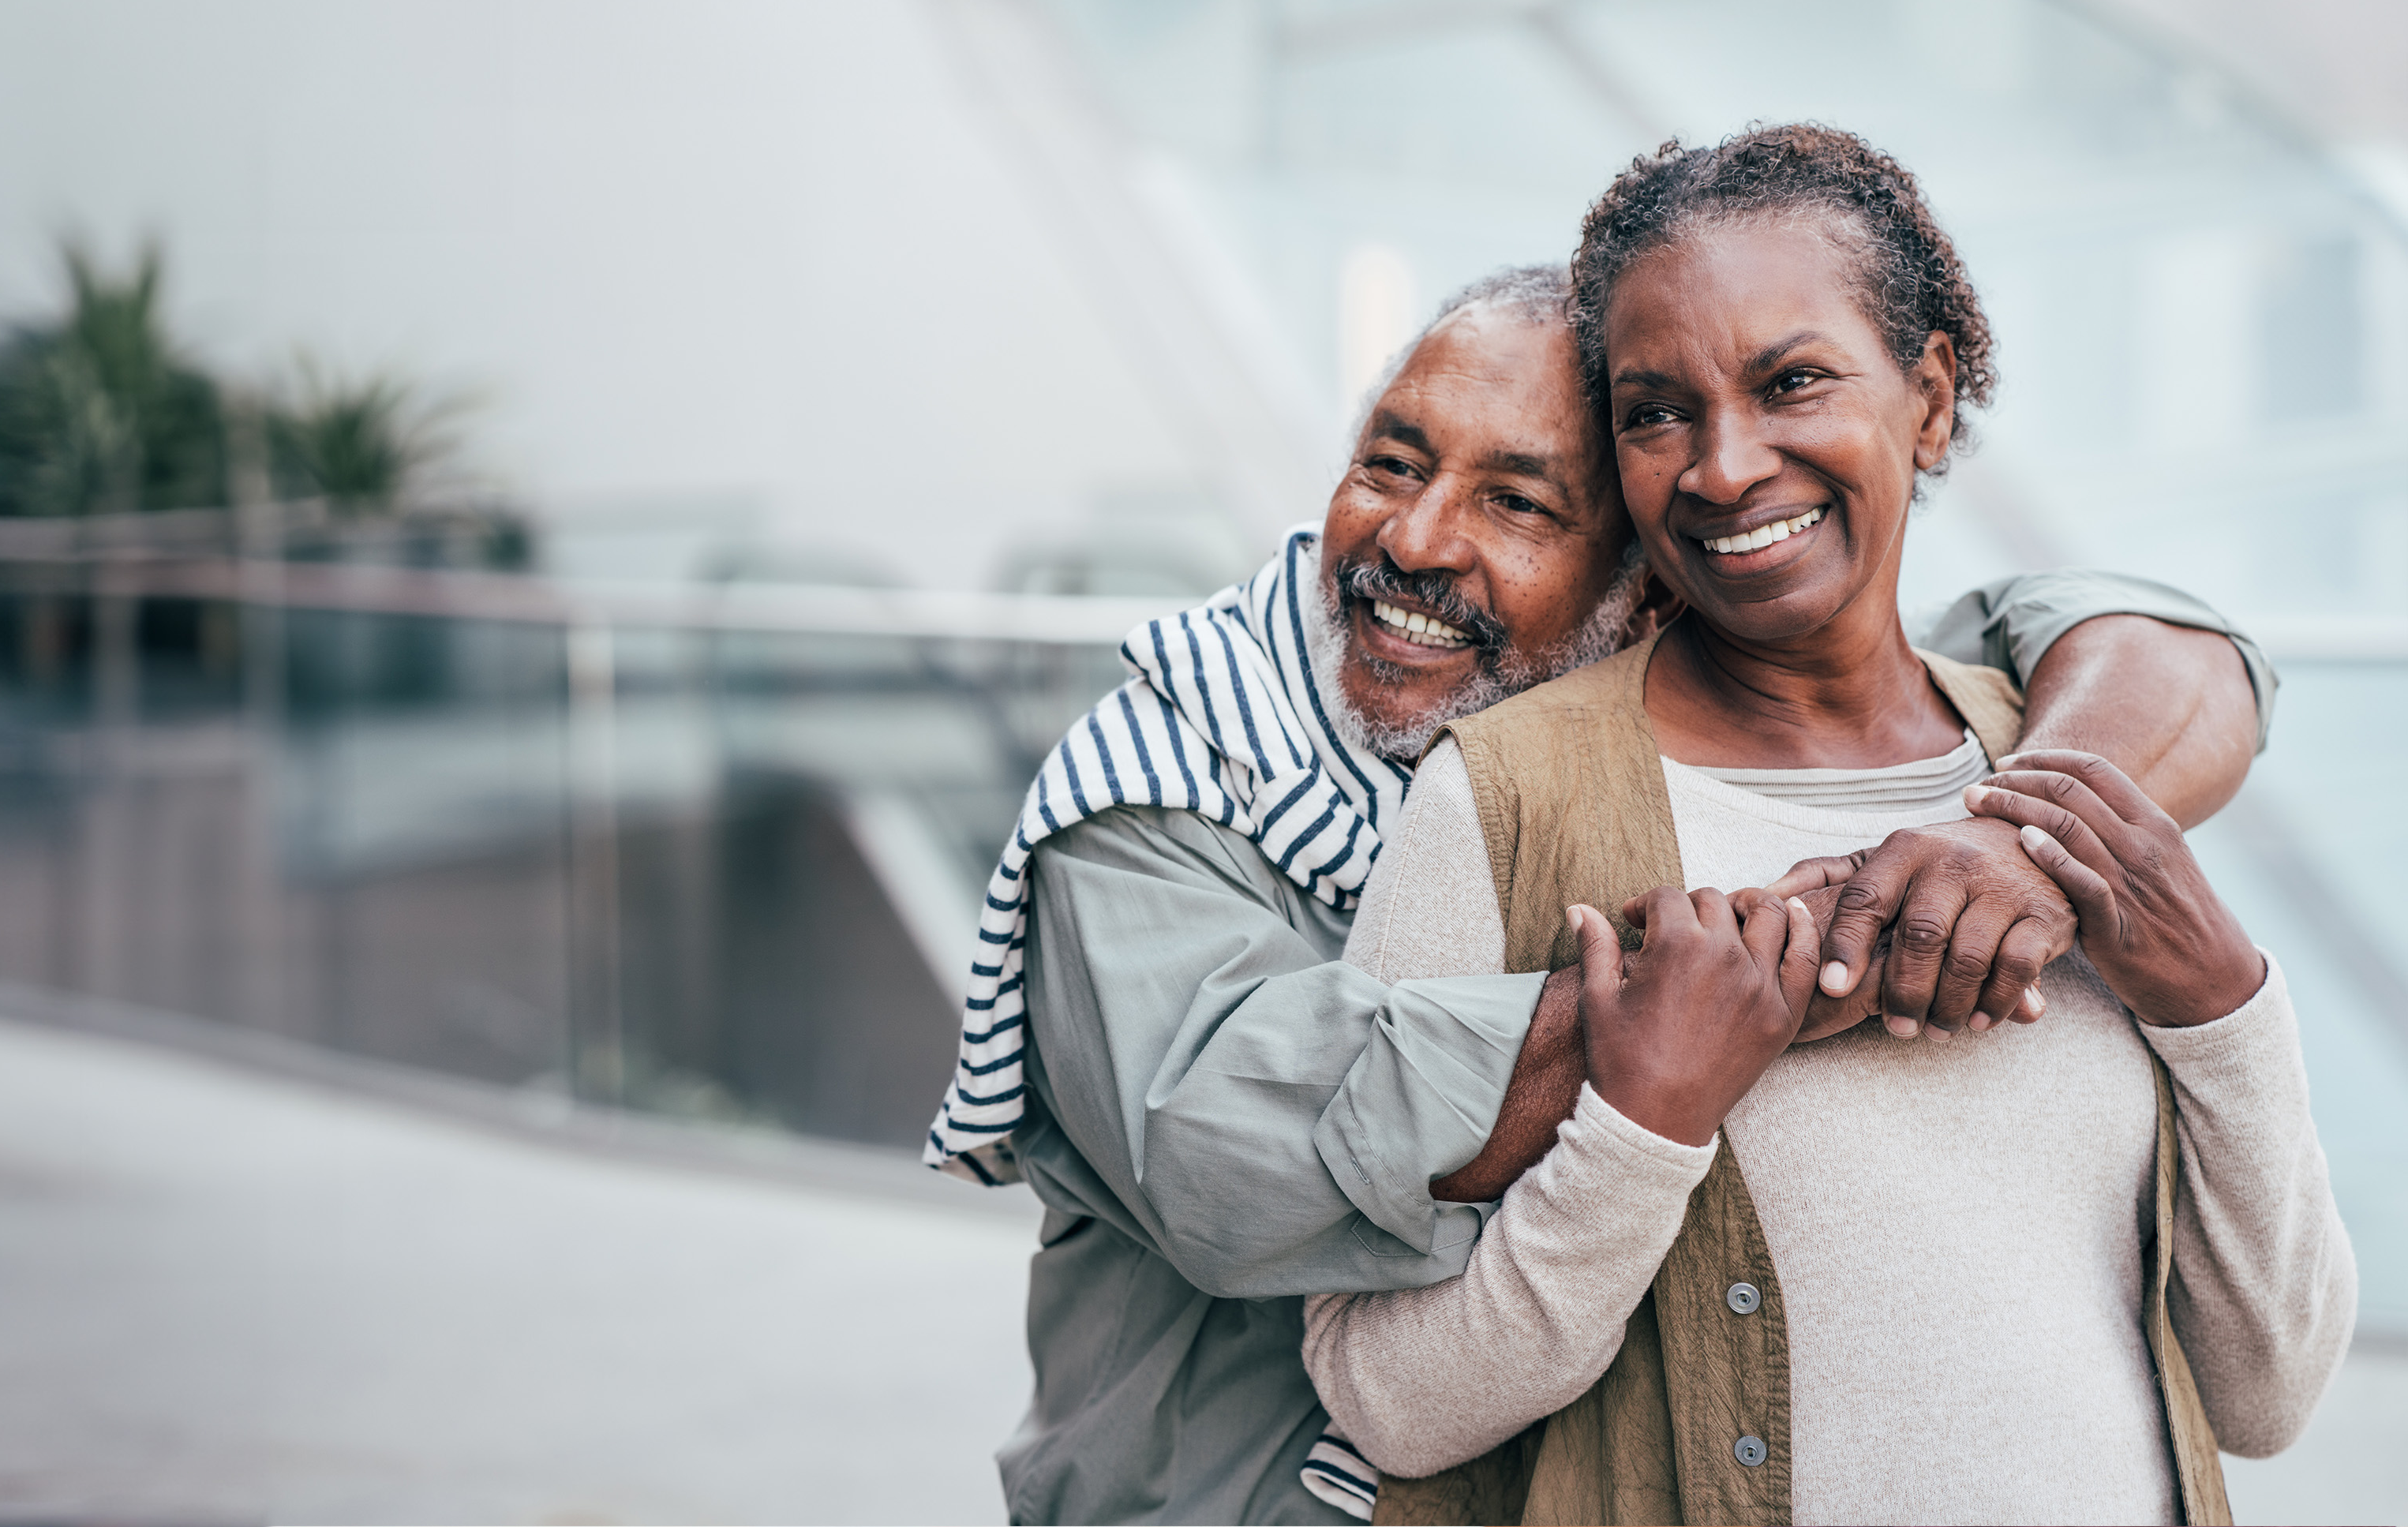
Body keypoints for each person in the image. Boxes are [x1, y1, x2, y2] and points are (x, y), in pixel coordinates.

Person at [924, 270, 2276, 1525]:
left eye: (1518, 503)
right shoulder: (1165, 777)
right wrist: (1772, 973)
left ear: (1653, 587)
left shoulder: (1749, 703)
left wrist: (2023, 839)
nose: (1414, 539)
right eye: (1390, 463)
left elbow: (2156, 639)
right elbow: (1221, 1162)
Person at [1300, 127, 2352, 1525]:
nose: (1725, 467)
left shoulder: (2059, 783)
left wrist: (2220, 1008)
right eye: (1654, 411)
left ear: (1925, 400)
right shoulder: (1499, 801)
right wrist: (1642, 1125)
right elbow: (1384, 1400)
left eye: (1790, 381)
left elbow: (2265, 1397)